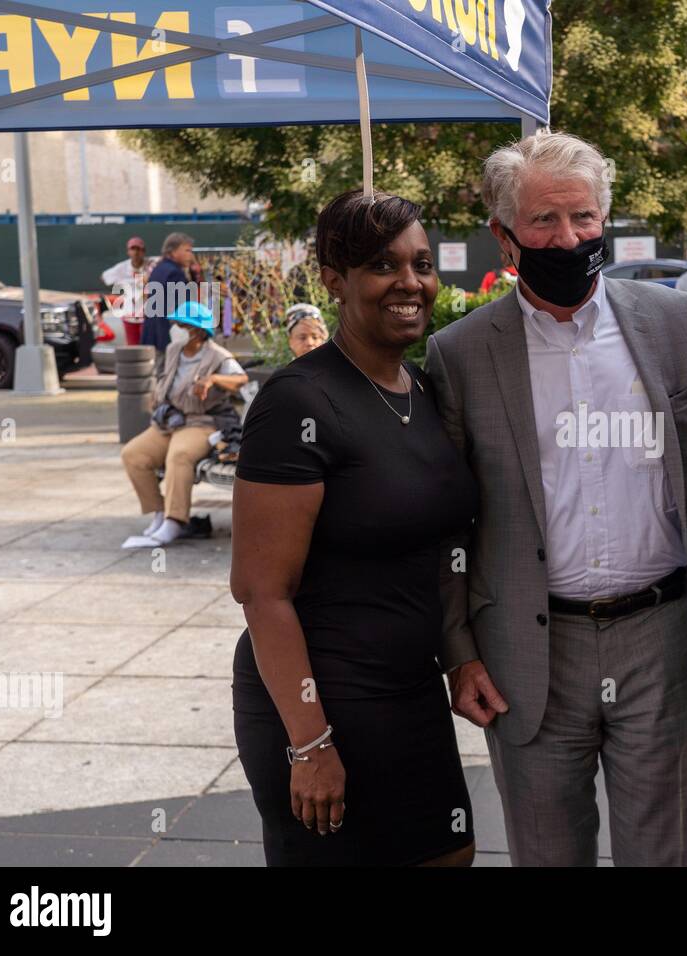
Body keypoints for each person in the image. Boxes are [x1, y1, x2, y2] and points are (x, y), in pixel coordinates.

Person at [425, 129, 687, 867]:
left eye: (585, 217)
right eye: (544, 222)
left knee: (665, 855)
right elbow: (443, 522)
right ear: (505, 238)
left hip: (660, 638)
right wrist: (458, 650)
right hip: (528, 654)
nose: (569, 237)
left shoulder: (674, 323)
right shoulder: (460, 355)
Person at [231, 190, 478, 867]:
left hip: (409, 686)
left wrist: (460, 655)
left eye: (421, 264)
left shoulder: (423, 391)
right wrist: (310, 744)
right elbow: (260, 592)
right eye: (382, 265)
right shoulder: (299, 402)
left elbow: (440, 540)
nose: (410, 283)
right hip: (321, 697)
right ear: (336, 282)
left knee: (449, 854)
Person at [119, 301, 247, 549]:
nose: (175, 328)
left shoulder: (218, 356)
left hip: (202, 422)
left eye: (182, 325)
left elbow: (240, 379)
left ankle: (175, 520)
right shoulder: (173, 350)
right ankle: (159, 512)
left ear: (198, 331)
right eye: (176, 324)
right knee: (133, 454)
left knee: (179, 456)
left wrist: (213, 379)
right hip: (171, 420)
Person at [140, 232, 199, 365]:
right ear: (173, 252)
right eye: (187, 250)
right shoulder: (174, 273)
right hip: (166, 336)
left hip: (153, 334)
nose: (191, 255)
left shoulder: (159, 269)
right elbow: (184, 307)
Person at [101, 237, 154, 346]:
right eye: (133, 249)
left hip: (148, 315)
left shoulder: (151, 265)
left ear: (143, 251)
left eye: (138, 249)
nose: (136, 252)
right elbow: (104, 277)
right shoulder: (122, 268)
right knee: (133, 347)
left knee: (148, 347)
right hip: (129, 315)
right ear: (128, 251)